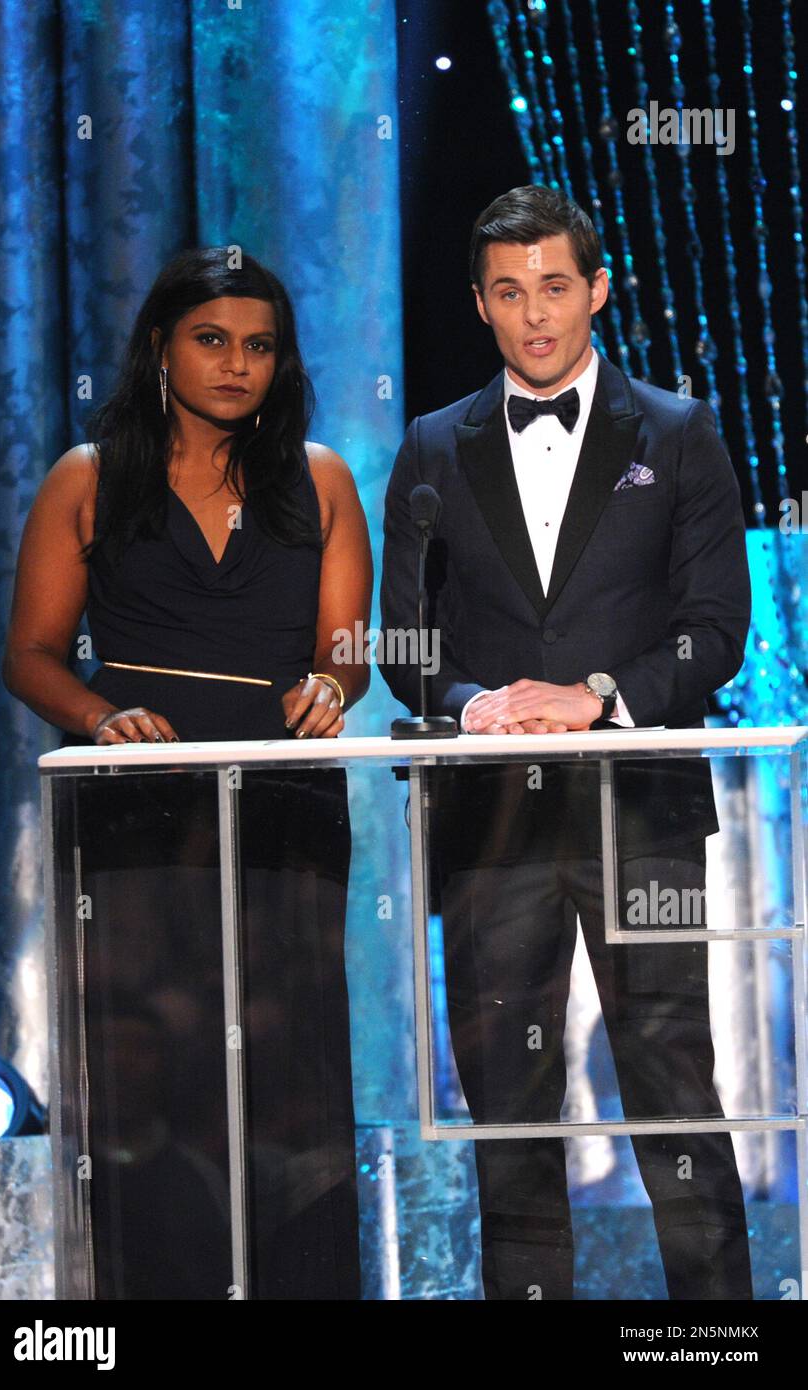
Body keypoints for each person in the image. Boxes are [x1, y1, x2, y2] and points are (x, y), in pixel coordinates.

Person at [379, 185, 753, 1300]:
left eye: (554, 285)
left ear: (594, 289)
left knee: (674, 1079)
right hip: (490, 816)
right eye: (508, 291)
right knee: (506, 1096)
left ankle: (718, 1330)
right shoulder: (430, 445)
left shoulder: (679, 432)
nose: (535, 314)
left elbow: (717, 631)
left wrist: (595, 695)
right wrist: (469, 700)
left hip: (640, 806)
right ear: (481, 306)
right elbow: (404, 637)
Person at [3, 247, 373, 1299]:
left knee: (288, 1067)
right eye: (211, 340)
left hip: (284, 803)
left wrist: (335, 689)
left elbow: (348, 648)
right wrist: (99, 715)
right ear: (162, 349)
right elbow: (27, 652)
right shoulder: (88, 475)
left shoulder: (323, 476)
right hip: (135, 809)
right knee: (149, 1069)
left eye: (258, 346)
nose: (236, 365)